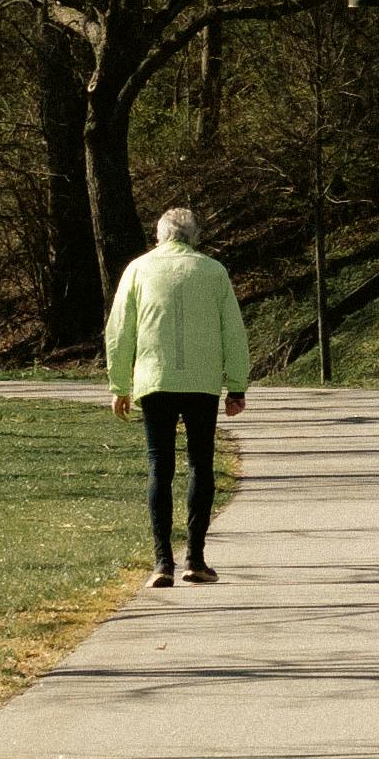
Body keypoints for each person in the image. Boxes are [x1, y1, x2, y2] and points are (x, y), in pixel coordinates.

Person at [101, 203, 252, 588]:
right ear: (194, 236)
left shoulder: (138, 268)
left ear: (160, 235)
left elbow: (120, 331)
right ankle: (196, 558)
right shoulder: (213, 271)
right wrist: (236, 385)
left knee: (160, 466)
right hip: (202, 383)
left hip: (154, 380)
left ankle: (162, 561)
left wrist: (120, 384)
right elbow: (232, 331)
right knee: (201, 463)